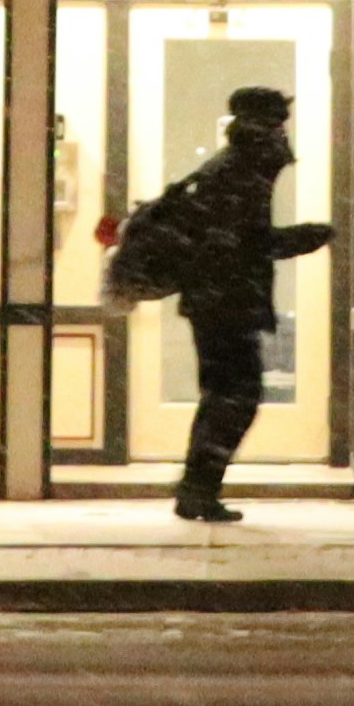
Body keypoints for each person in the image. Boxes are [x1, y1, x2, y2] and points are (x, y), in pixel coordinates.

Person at [109, 81, 331, 525]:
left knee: (227, 396)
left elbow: (235, 241)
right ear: (266, 126)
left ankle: (197, 489)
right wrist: (307, 236)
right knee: (234, 397)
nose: (284, 134)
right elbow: (240, 244)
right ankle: (197, 490)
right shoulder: (240, 171)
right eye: (279, 123)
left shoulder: (233, 167)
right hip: (224, 302)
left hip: (219, 300)